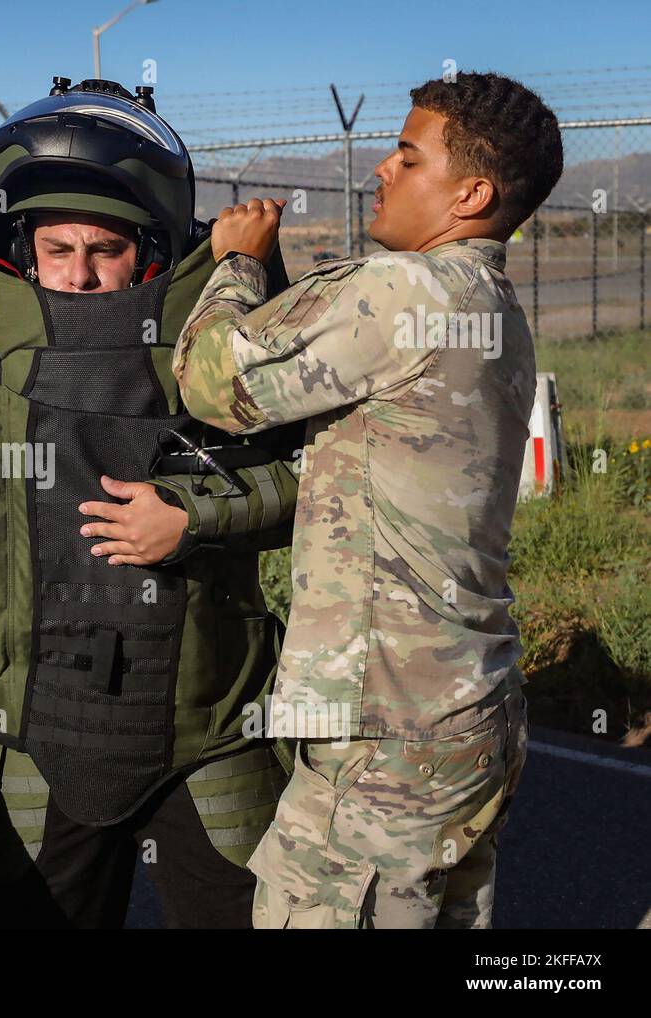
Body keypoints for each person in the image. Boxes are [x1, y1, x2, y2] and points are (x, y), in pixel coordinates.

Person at [0, 78, 302, 928]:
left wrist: (192, 516)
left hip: (210, 729)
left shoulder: (222, 343)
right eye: (60, 249)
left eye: (109, 249)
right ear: (21, 246)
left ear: (155, 247)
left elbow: (315, 481)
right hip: (30, 728)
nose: (84, 274)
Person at [173, 71, 562, 928]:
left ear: (471, 193)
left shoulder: (408, 291)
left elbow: (213, 381)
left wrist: (233, 261)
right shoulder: (493, 303)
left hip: (386, 724)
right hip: (468, 704)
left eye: (406, 154)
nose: (381, 169)